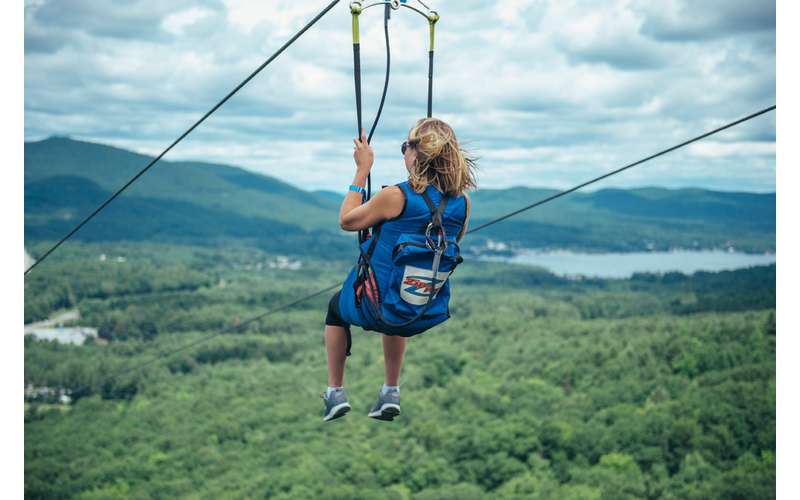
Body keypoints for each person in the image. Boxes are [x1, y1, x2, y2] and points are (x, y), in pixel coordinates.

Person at [321, 117, 477, 422]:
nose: (404, 151)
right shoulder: (463, 202)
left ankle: (335, 392)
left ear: (419, 154)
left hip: (374, 305)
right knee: (397, 300)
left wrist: (362, 169)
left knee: (335, 310)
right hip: (421, 310)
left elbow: (347, 219)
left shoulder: (396, 196)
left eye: (406, 146)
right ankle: (390, 390)